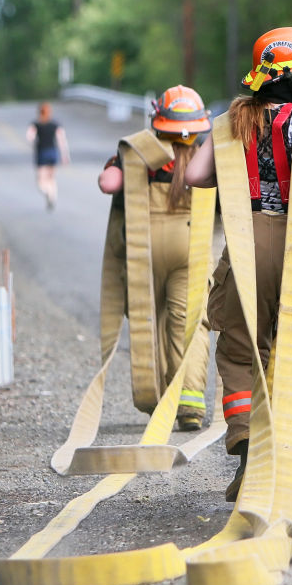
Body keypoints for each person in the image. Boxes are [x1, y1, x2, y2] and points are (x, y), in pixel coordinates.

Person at [185, 27, 292, 501]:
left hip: (244, 241)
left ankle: (248, 449)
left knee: (241, 349)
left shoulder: (231, 122)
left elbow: (196, 175)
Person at [97, 85, 213, 431]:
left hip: (142, 249)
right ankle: (190, 403)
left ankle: (159, 399)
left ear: (157, 119)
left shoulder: (137, 153)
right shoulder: (204, 154)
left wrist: (119, 162)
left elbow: (108, 183)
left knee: (150, 321)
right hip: (189, 248)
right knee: (189, 323)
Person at [27, 102, 69, 210]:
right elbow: (62, 141)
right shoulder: (55, 125)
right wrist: (65, 155)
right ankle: (53, 196)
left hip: (42, 153)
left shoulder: (36, 124)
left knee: (41, 181)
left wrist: (34, 143)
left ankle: (48, 194)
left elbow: (29, 137)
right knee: (51, 178)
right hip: (53, 153)